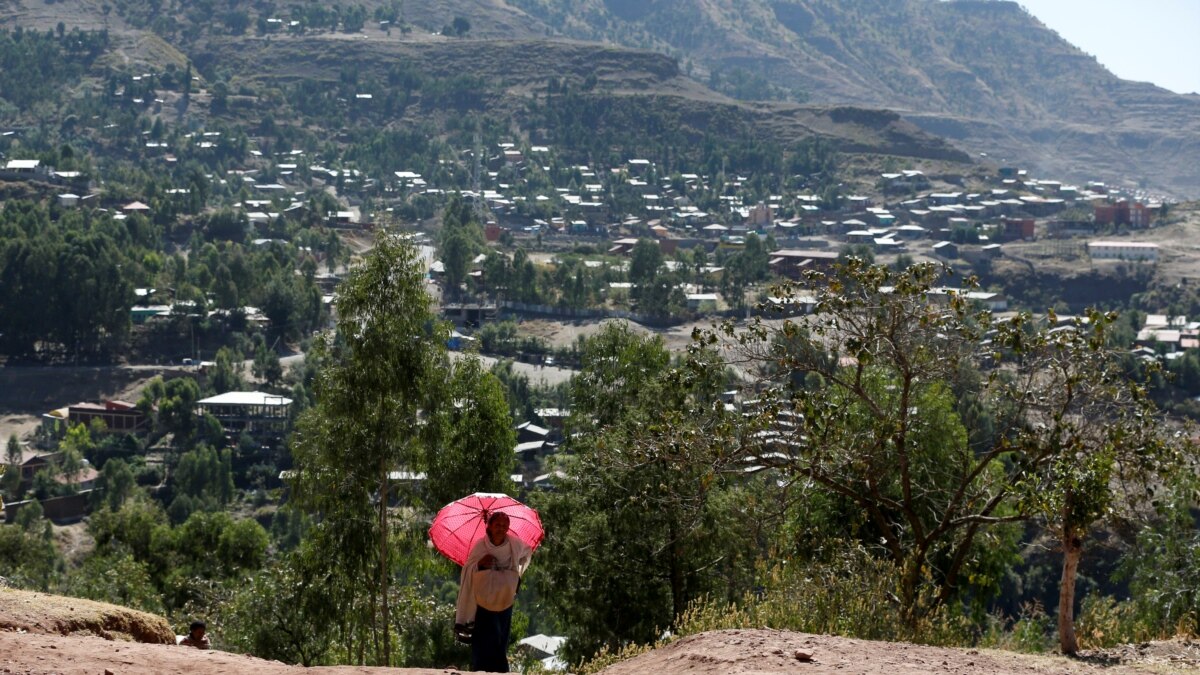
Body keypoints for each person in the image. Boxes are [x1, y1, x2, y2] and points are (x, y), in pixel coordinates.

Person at [455, 512, 533, 673]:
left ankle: (500, 670)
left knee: (501, 636)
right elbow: (468, 569)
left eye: (505, 525)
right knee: (483, 635)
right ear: (489, 526)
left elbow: (527, 553)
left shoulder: (515, 545)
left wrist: (515, 567)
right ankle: (481, 669)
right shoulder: (480, 546)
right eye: (497, 525)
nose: (501, 528)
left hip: (504, 598)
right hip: (483, 599)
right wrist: (480, 564)